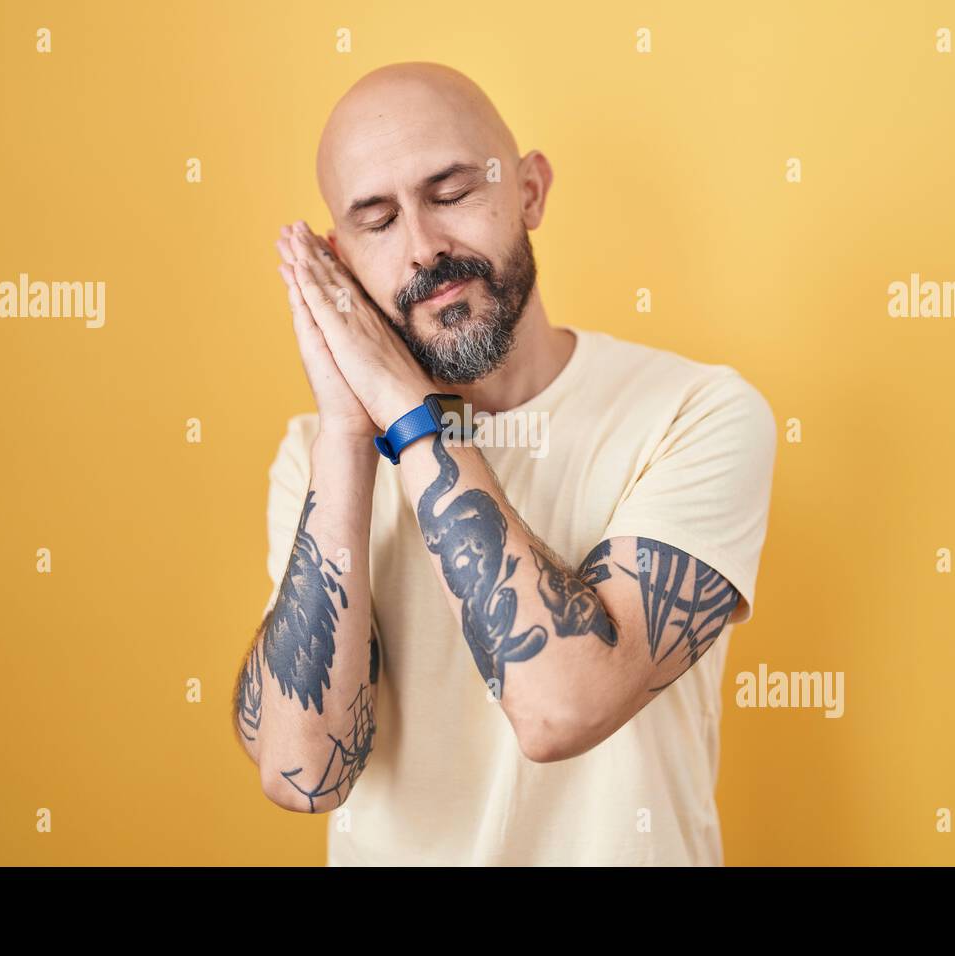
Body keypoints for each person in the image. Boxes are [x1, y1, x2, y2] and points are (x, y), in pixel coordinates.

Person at [232, 61, 777, 866]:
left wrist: (409, 417)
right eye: (377, 222)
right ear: (338, 259)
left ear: (529, 192)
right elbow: (304, 771)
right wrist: (351, 435)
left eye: (451, 193)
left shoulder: (697, 413)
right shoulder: (316, 457)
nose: (424, 249)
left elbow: (560, 708)